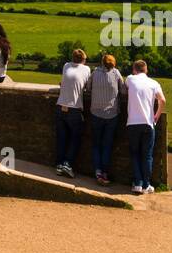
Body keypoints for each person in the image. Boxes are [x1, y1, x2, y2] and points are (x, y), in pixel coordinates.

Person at [124, 59, 166, 195]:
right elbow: (162, 100)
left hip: (133, 123)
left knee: (134, 154)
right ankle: (147, 185)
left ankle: (137, 183)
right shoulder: (154, 83)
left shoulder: (130, 79)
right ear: (146, 70)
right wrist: (156, 115)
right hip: (148, 123)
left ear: (134, 70)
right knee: (147, 156)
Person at [55, 47, 91, 178]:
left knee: (61, 138)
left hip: (60, 106)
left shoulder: (66, 66)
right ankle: (67, 164)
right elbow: (87, 86)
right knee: (75, 138)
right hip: (74, 108)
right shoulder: (86, 69)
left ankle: (59, 165)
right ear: (83, 60)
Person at [88, 53, 124, 184]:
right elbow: (123, 91)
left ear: (102, 62)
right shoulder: (116, 74)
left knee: (96, 144)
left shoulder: (95, 73)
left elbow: (87, 88)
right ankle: (105, 173)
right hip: (111, 115)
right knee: (107, 145)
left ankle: (97, 171)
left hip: (96, 113)